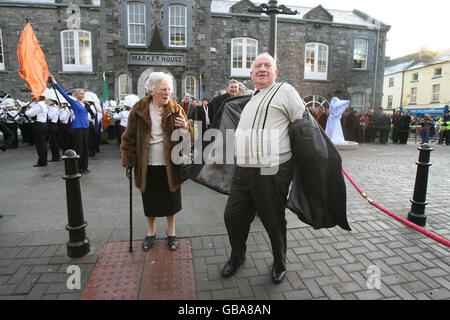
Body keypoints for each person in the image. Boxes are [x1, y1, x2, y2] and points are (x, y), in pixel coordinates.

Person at [221, 53, 305, 284]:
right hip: (243, 169)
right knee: (233, 216)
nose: (262, 69)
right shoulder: (251, 98)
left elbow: (303, 124)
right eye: (258, 66)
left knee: (272, 219)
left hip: (272, 167)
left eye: (268, 66)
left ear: (275, 73)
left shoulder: (285, 91)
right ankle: (237, 258)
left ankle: (280, 262)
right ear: (251, 74)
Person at [120, 72, 192, 252]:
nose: (167, 93)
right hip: (147, 164)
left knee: (171, 199)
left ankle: (171, 232)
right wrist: (129, 160)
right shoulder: (139, 109)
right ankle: (150, 233)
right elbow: (128, 138)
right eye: (163, 89)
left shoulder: (176, 109)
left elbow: (190, 138)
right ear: (152, 90)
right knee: (150, 199)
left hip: (171, 164)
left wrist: (186, 127)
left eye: (169, 89)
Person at [50, 74, 91, 174]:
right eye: (80, 94)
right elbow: (63, 93)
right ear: (76, 95)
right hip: (78, 128)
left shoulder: (85, 104)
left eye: (83, 94)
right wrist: (54, 81)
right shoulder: (74, 102)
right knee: (79, 149)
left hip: (86, 127)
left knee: (86, 148)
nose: (82, 95)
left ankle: (85, 167)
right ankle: (79, 168)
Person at [25, 96, 48, 167]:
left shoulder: (38, 105)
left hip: (39, 125)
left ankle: (42, 161)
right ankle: (43, 160)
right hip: (43, 124)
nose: (33, 98)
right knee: (43, 143)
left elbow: (29, 113)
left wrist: (25, 110)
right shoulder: (43, 104)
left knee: (39, 144)